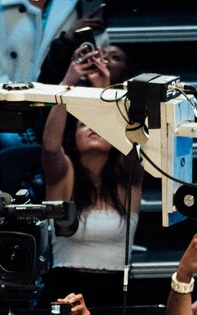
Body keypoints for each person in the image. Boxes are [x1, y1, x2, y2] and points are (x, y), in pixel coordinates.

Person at [43, 41, 140, 292]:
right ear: (73, 140)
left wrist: (103, 89)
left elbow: (134, 140)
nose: (92, 127)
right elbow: (50, 146)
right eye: (84, 124)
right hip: (65, 289)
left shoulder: (127, 179)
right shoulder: (64, 175)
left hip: (115, 291)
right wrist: (69, 80)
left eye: (98, 123)